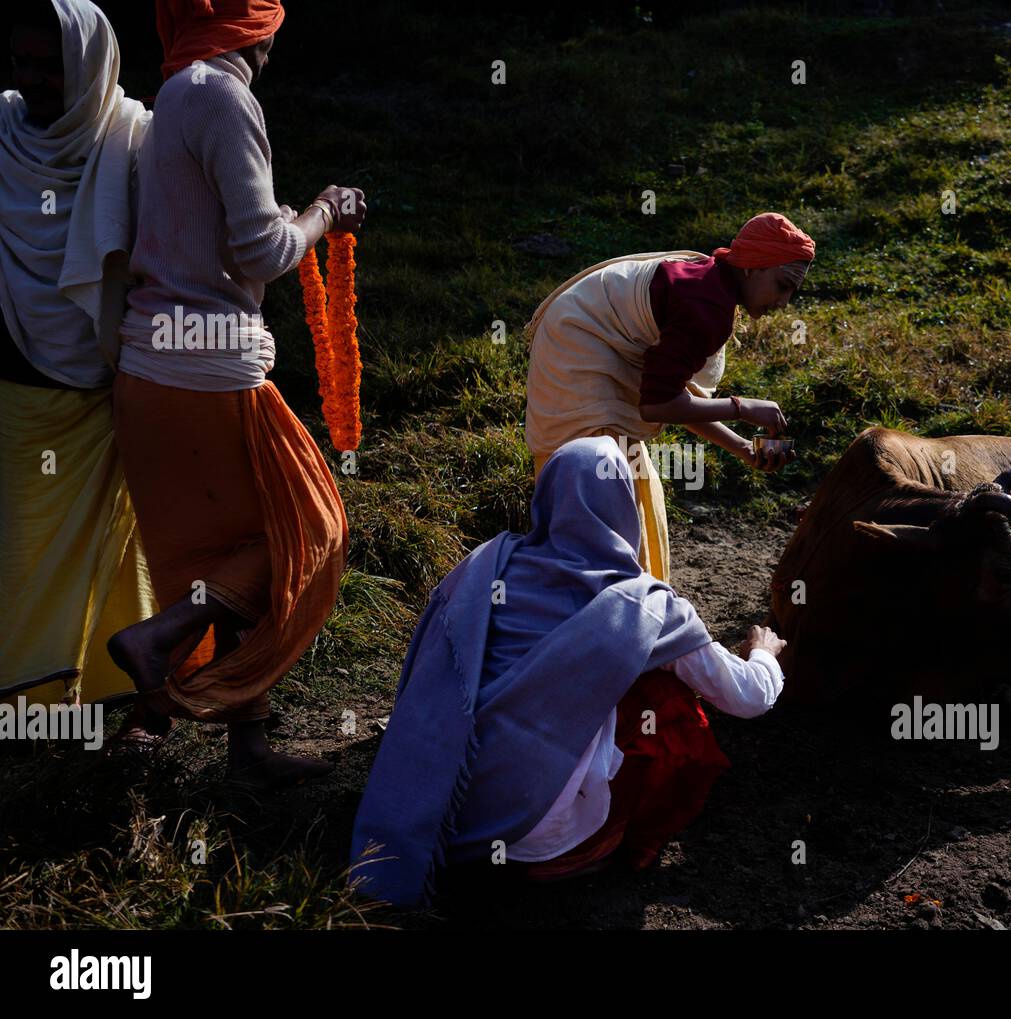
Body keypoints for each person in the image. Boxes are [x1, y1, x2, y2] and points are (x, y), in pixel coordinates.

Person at [104, 0, 367, 786]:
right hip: (211, 372)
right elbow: (259, 247)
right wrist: (326, 211)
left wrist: (283, 220)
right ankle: (157, 647)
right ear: (263, 29)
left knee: (202, 561)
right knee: (308, 530)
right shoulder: (224, 96)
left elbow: (208, 236)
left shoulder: (173, 96)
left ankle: (185, 736)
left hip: (147, 373)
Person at [350, 436, 786, 906]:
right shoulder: (647, 606)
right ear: (625, 503)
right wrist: (763, 652)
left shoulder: (485, 565)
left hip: (439, 805)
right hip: (543, 839)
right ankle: (580, 852)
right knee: (665, 694)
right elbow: (749, 698)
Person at [0, 0, 155, 711]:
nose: (34, 81)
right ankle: (23, 691)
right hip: (14, 388)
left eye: (51, 67)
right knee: (20, 545)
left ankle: (102, 686)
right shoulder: (3, 133)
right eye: (24, 61)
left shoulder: (128, 140)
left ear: (88, 69)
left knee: (108, 550)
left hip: (100, 394)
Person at [524, 211, 815, 582]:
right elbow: (658, 405)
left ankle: (624, 599)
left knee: (634, 482)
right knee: (606, 488)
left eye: (792, 291)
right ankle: (609, 604)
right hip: (578, 347)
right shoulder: (706, 305)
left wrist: (742, 448)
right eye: (782, 284)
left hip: (582, 337)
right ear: (752, 268)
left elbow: (674, 397)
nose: (784, 302)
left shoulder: (713, 285)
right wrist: (742, 408)